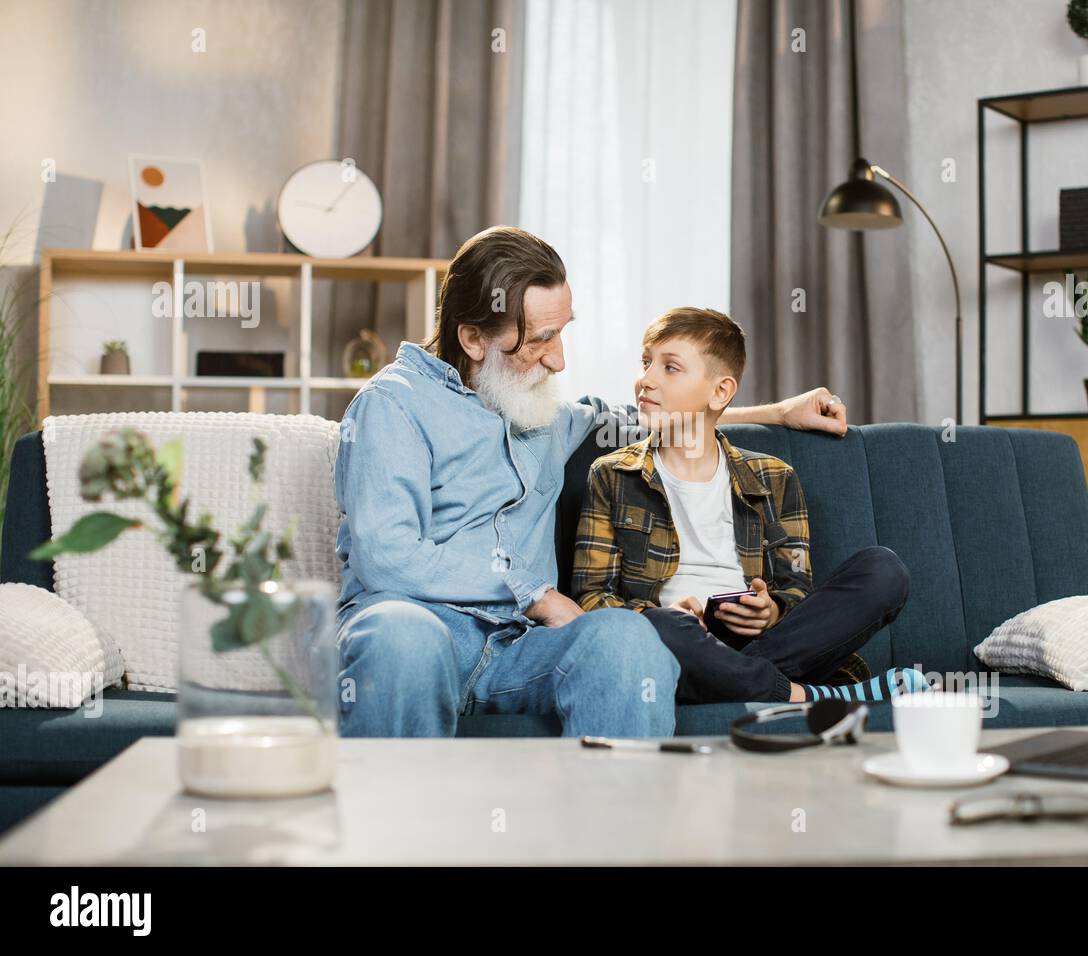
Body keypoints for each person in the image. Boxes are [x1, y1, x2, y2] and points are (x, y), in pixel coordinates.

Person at [334, 228, 850, 738]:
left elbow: (658, 416)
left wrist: (781, 413)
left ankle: (617, 820)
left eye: (563, 332)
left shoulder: (541, 410)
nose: (560, 359)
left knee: (628, 637)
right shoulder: (392, 406)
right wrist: (533, 593)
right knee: (401, 639)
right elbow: (387, 555)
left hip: (519, 650)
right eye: (540, 340)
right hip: (421, 629)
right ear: (473, 338)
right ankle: (394, 820)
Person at [572, 307, 926, 705]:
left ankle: (736, 679)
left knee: (883, 570)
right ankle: (806, 695)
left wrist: (772, 610)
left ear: (720, 392)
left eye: (670, 368)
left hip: (766, 643)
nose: (646, 380)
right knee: (662, 629)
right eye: (645, 362)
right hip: (674, 642)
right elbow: (592, 597)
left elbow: (795, 587)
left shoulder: (774, 477)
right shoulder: (612, 474)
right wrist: (659, 617)